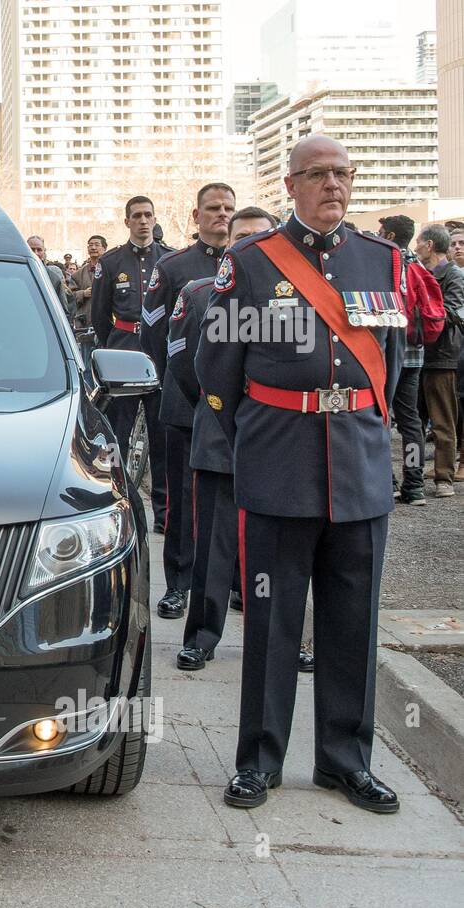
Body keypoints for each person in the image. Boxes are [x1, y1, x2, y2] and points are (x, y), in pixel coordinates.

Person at [196, 134, 403, 814]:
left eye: (343, 173)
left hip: (361, 472)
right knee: (272, 622)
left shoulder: (383, 261)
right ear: (290, 185)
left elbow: (389, 371)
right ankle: (259, 760)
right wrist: (255, 443)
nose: (333, 186)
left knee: (353, 625)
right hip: (281, 466)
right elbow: (217, 374)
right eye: (317, 175)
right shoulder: (249, 266)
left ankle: (346, 762)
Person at [166, 206, 318, 677]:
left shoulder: (301, 298)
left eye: (261, 235)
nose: (251, 242)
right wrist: (224, 413)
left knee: (278, 555)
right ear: (228, 244)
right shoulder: (199, 293)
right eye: (242, 236)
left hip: (279, 444)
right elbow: (184, 365)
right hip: (220, 439)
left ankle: (280, 641)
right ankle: (201, 638)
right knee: (212, 547)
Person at [139, 182, 236, 620]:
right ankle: (178, 584)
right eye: (213, 208)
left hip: (239, 410)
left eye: (228, 208)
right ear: (195, 216)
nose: (222, 215)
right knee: (182, 499)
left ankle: (235, 583)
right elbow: (154, 333)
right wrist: (179, 388)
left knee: (239, 501)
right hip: (185, 405)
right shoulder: (174, 265)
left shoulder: (250, 261)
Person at [91, 196, 174, 524]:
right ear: (127, 221)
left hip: (159, 356)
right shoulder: (111, 263)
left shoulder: (169, 259)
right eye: (137, 216)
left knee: (161, 434)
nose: (143, 221)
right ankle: (117, 501)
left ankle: (163, 510)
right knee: (118, 433)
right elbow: (99, 316)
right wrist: (116, 343)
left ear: (155, 219)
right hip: (123, 354)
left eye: (148, 215)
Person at [379, 215, 435, 505]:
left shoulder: (383, 261)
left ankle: (387, 481)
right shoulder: (417, 264)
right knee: (411, 420)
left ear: (388, 235)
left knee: (383, 417)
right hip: (415, 352)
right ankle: (414, 483)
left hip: (388, 351)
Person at [414, 224, 464, 497]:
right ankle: (414, 474)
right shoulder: (419, 273)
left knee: (443, 420)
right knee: (414, 421)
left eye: (419, 242)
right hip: (418, 355)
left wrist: (421, 311)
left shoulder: (453, 275)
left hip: (442, 356)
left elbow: (453, 312)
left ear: (429, 245)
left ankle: (444, 477)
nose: (416, 247)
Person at [69, 234, 106, 361]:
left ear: (104, 248)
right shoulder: (77, 275)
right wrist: (83, 294)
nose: (93, 247)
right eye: (90, 245)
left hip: (107, 326)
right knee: (86, 364)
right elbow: (68, 298)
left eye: (96, 244)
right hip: (86, 327)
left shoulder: (112, 270)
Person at [26, 235, 73, 319]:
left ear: (44, 252)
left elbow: (62, 310)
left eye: (39, 250)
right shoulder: (17, 276)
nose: (35, 253)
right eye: (32, 249)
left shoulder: (53, 278)